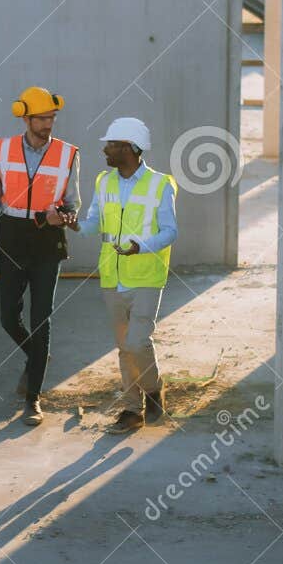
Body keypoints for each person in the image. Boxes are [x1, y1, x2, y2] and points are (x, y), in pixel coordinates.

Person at [0, 87, 80, 427]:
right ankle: (37, 356)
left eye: (52, 118)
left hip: (48, 241)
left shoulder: (68, 154)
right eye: (42, 118)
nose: (49, 124)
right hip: (13, 237)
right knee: (7, 317)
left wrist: (63, 215)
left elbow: (72, 204)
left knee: (41, 319)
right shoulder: (3, 149)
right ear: (25, 116)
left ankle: (33, 399)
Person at [77, 117, 177, 434]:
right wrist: (70, 223)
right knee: (123, 347)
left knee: (137, 342)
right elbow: (92, 224)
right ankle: (133, 410)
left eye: (112, 145)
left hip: (146, 275)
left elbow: (171, 231)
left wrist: (142, 247)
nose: (106, 149)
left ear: (131, 149)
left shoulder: (161, 184)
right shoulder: (103, 182)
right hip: (112, 274)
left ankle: (153, 388)